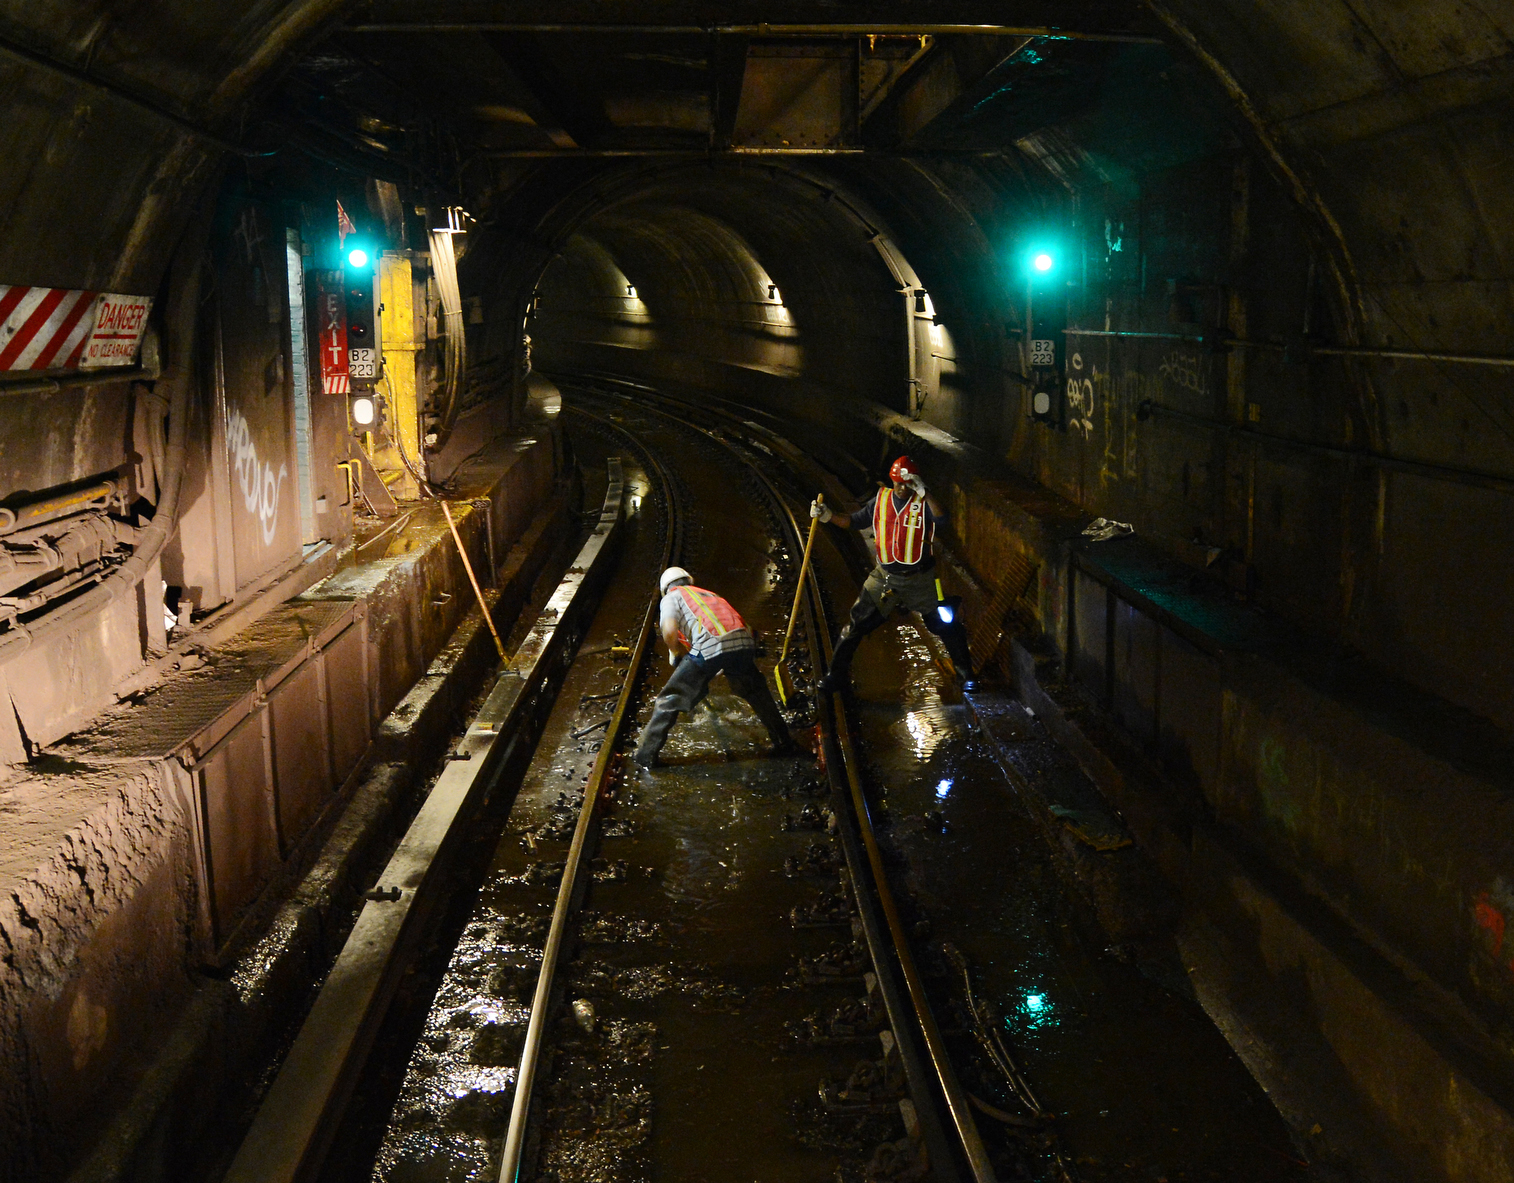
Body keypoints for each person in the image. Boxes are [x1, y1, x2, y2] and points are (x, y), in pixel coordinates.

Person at [810, 455, 973, 692]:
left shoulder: (922, 502)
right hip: (884, 578)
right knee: (856, 626)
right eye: (898, 482)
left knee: (944, 626)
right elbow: (854, 521)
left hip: (920, 580)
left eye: (907, 483)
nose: (902, 487)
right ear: (891, 481)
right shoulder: (881, 499)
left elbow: (942, 517)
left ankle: (966, 675)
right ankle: (836, 676)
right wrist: (827, 516)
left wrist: (924, 491)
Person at [631, 567, 800, 769]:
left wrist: (675, 652)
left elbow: (668, 630)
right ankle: (783, 741)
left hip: (711, 645)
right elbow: (747, 629)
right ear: (689, 580)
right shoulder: (711, 595)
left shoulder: (671, 597)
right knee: (757, 693)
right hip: (744, 642)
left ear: (665, 588)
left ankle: (645, 757)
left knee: (669, 701)